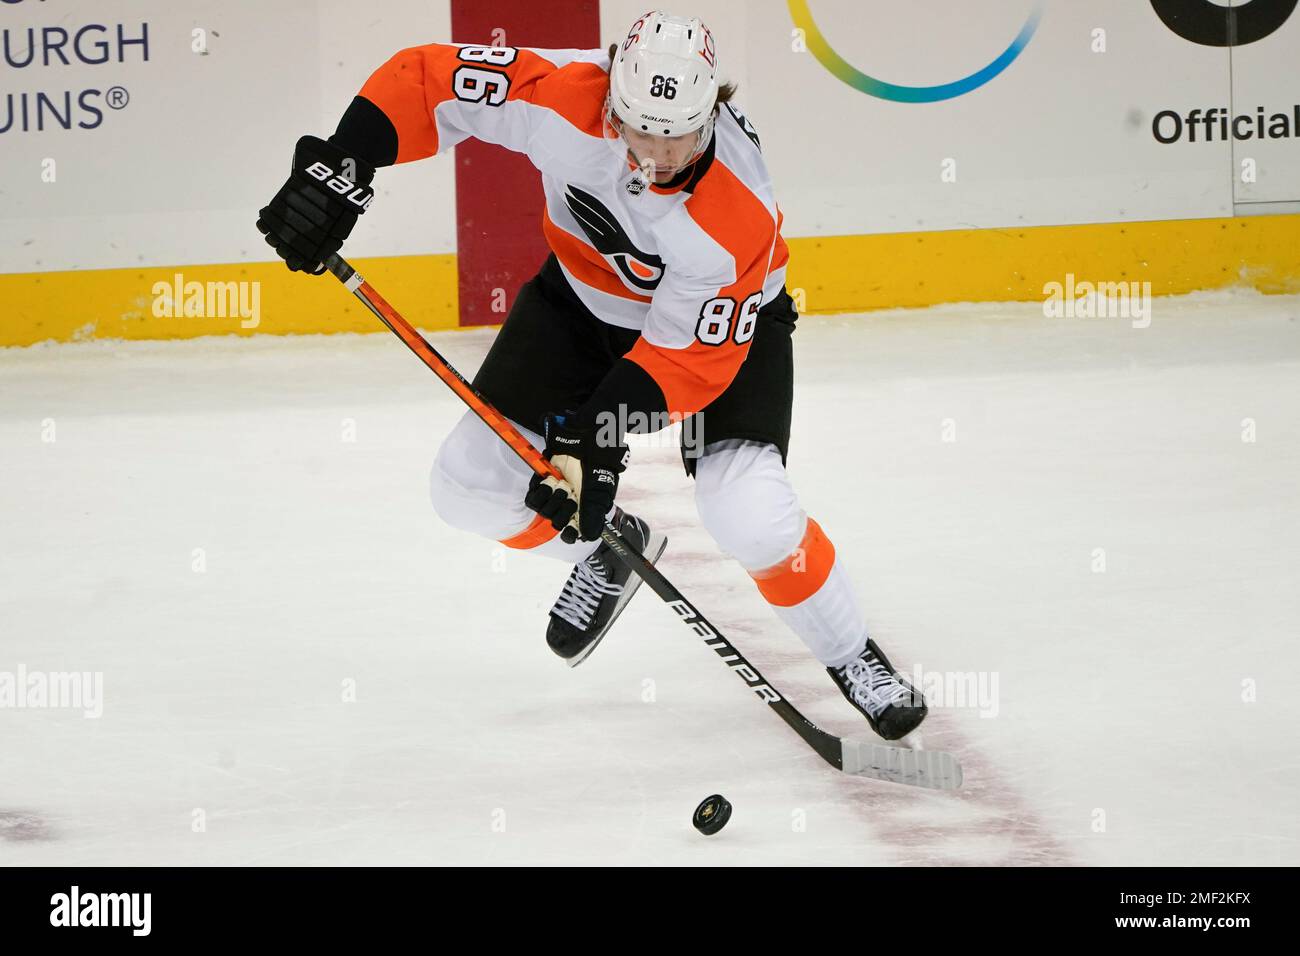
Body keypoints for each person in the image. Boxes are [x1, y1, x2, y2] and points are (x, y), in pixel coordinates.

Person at [256, 11, 927, 740]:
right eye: (640, 131)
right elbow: (425, 80)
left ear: (712, 114)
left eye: (679, 135)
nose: (658, 155)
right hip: (579, 305)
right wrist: (343, 165)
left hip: (720, 339)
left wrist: (591, 440)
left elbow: (683, 362)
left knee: (749, 512)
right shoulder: (561, 95)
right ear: (610, 100)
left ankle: (851, 652)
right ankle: (609, 549)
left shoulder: (736, 219)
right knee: (466, 485)